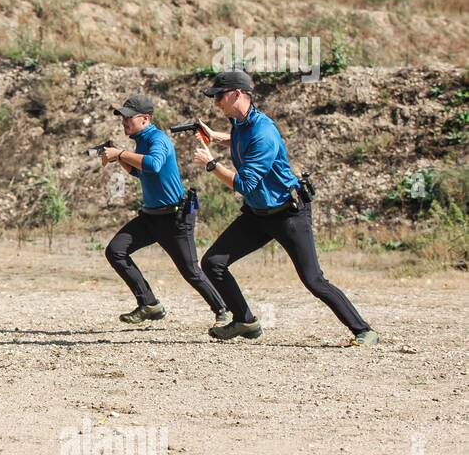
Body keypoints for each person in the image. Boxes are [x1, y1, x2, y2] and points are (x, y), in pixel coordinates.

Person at [192, 70, 379, 346]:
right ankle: (245, 320)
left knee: (314, 280)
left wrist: (211, 164)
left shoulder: (263, 132)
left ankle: (364, 330)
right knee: (213, 263)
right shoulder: (241, 122)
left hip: (288, 213)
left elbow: (245, 184)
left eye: (219, 96)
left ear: (237, 94)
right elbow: (241, 140)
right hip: (258, 215)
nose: (216, 102)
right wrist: (216, 137)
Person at [99, 94, 229, 327]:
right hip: (151, 216)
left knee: (190, 270)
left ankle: (222, 310)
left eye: (129, 118)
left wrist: (120, 154)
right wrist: (119, 157)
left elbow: (153, 164)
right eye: (123, 118)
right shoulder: (141, 140)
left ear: (145, 119)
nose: (124, 122)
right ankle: (149, 304)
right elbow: (141, 172)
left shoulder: (158, 139)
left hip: (174, 217)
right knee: (115, 251)